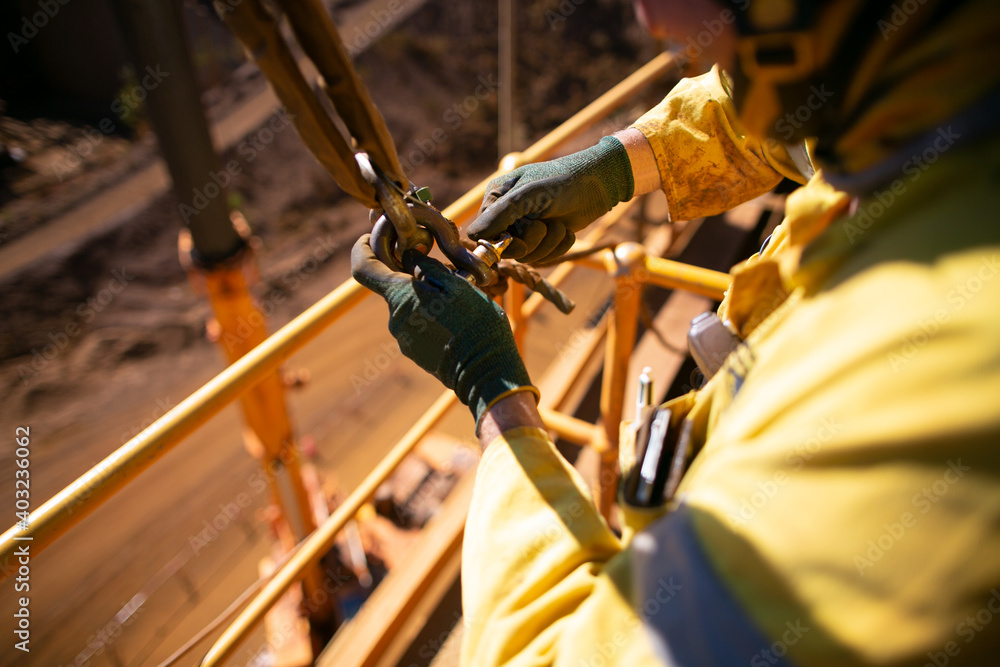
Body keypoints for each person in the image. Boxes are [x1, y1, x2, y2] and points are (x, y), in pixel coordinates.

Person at [351, 0, 1000, 664]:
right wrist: (617, 166)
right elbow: (796, 100)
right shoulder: (933, 92)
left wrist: (496, 398)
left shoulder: (914, 389)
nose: (652, 20)